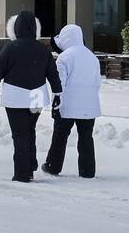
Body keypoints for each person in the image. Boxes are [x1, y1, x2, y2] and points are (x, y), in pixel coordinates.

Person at [0, 10, 61, 183]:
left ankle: (22, 172)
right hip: (37, 94)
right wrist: (57, 92)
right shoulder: (42, 49)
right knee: (30, 130)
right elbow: (52, 73)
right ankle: (30, 165)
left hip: (15, 95)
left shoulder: (10, 48)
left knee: (19, 134)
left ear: (16, 28)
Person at [42, 24, 101, 179]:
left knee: (60, 136)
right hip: (89, 105)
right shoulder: (92, 56)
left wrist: (56, 103)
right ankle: (87, 171)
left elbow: (59, 84)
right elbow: (97, 82)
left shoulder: (65, 57)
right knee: (86, 137)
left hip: (67, 106)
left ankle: (53, 166)